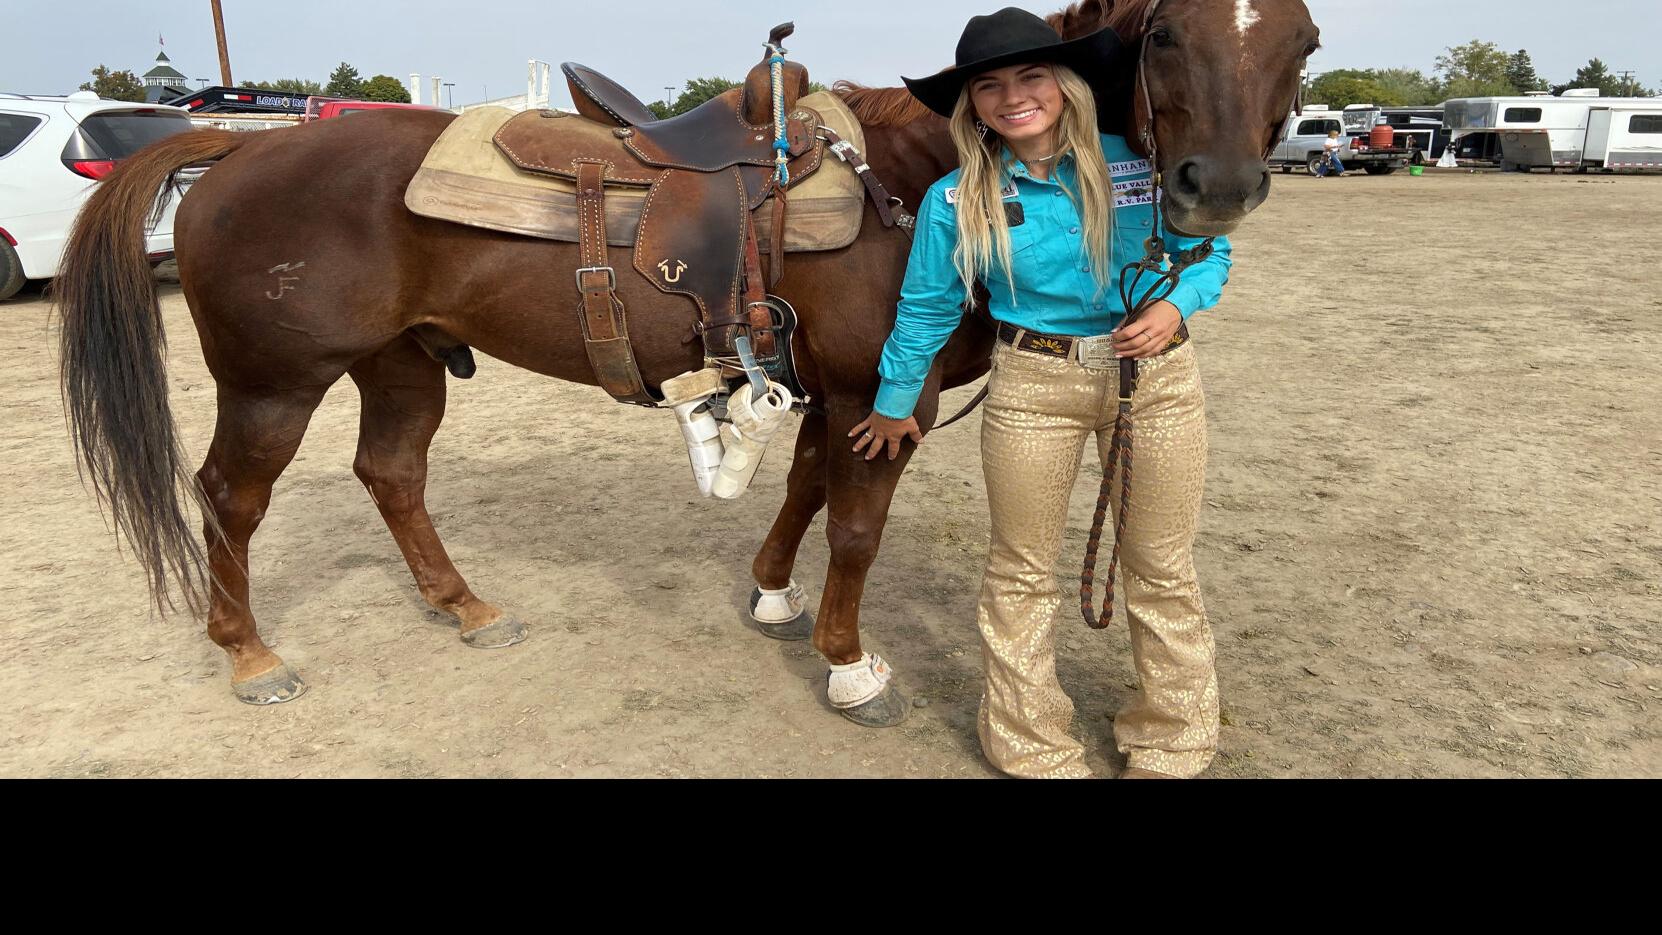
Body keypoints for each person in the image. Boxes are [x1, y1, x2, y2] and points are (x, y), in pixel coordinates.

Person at [849, 7, 1232, 779]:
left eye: (1030, 76)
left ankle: (1173, 737)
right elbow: (926, 306)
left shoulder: (1141, 166)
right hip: (1031, 383)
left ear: (1064, 84)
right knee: (1021, 569)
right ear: (972, 106)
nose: (1011, 96)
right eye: (988, 86)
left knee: (1159, 566)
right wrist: (895, 398)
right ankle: (1032, 743)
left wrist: (1172, 306)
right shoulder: (956, 200)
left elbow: (1208, 252)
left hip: (1156, 383)